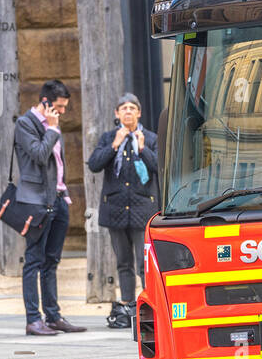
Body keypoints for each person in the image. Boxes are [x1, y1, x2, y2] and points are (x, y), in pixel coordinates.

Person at [15, 80, 87, 336]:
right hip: (36, 202)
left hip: (57, 200)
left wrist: (64, 193)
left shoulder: (53, 126)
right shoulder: (26, 124)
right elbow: (38, 154)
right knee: (33, 260)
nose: (63, 112)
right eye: (59, 106)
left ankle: (53, 316)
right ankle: (33, 320)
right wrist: (53, 129)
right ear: (45, 103)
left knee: (52, 260)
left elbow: (57, 165)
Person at [88, 92, 159, 328]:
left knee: (143, 262)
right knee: (123, 262)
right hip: (116, 209)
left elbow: (159, 166)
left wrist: (142, 148)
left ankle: (150, 307)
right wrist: (115, 144)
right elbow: (95, 164)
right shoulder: (109, 137)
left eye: (132, 108)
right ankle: (128, 305)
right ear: (117, 114)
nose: (128, 111)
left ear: (139, 112)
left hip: (142, 209)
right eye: (123, 108)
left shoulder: (150, 138)